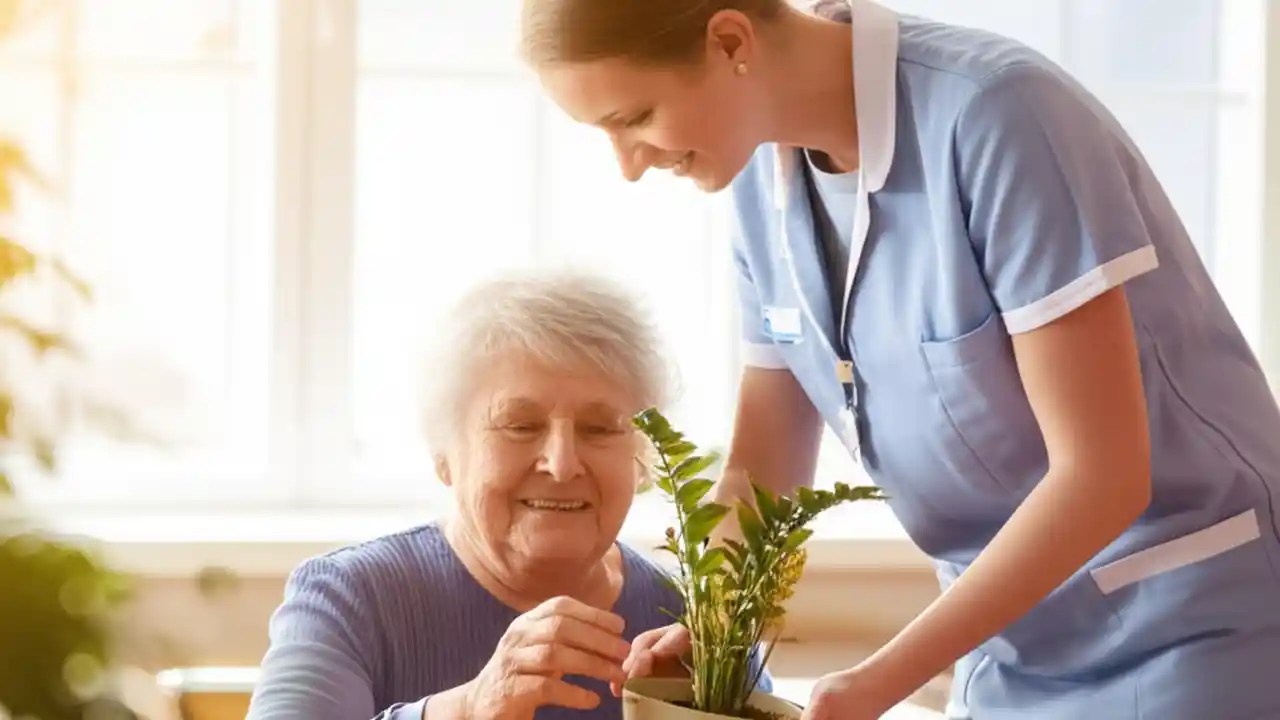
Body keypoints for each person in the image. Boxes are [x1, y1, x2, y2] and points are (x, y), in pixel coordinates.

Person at [520, 1, 1280, 718]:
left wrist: (878, 680)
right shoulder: (759, 182)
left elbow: (1103, 475)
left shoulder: (999, 116)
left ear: (729, 42)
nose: (628, 164)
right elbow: (763, 467)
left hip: (1189, 631)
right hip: (1010, 651)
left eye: (635, 118)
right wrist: (713, 632)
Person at [246, 271, 762, 719]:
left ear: (646, 457)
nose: (561, 464)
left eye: (600, 428)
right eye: (519, 425)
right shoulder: (352, 600)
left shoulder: (689, 623)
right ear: (443, 453)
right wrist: (464, 711)